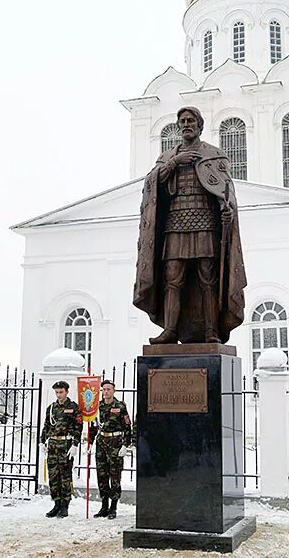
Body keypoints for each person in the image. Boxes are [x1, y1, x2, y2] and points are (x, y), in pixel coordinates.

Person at [134, 106, 246, 344]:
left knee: (208, 279)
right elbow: (151, 185)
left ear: (200, 125)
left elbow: (226, 193)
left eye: (191, 120)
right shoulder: (167, 158)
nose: (186, 124)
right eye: (182, 121)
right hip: (175, 223)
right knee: (173, 279)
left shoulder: (215, 155)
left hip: (205, 222)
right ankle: (171, 331)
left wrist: (227, 211)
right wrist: (176, 162)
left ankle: (210, 331)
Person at [90, 380, 132, 519]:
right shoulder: (98, 406)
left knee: (115, 476)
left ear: (114, 391)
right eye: (104, 389)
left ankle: (113, 507)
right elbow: (93, 425)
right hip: (101, 441)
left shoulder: (120, 406)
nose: (106, 392)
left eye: (108, 389)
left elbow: (127, 427)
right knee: (102, 475)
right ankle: (104, 506)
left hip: (115, 443)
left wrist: (126, 445)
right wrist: (90, 442)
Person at [40, 380, 82, 518]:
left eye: (61, 392)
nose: (59, 395)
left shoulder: (74, 407)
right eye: (57, 392)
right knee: (53, 476)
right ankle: (56, 504)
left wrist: (75, 444)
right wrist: (42, 441)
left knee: (65, 476)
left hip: (66, 445)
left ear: (67, 391)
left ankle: (65, 505)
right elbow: (46, 426)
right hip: (52, 445)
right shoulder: (51, 408)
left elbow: (78, 427)